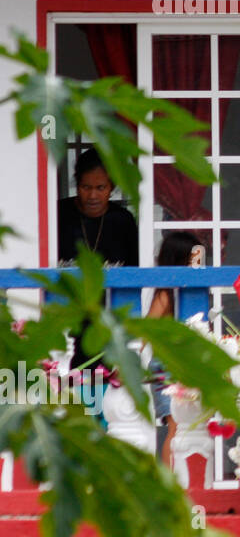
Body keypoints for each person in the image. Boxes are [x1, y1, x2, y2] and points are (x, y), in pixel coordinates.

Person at [147, 231, 204, 467]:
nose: (198, 263)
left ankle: (183, 476)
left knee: (186, 425)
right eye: (192, 258)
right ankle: (172, 480)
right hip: (166, 366)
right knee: (175, 426)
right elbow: (146, 329)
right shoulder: (165, 294)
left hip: (183, 366)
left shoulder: (186, 291)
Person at [57, 147, 139, 267]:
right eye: (86, 187)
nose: (92, 196)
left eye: (100, 188)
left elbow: (134, 269)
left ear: (112, 187)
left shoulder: (123, 221)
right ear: (77, 184)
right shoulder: (59, 214)